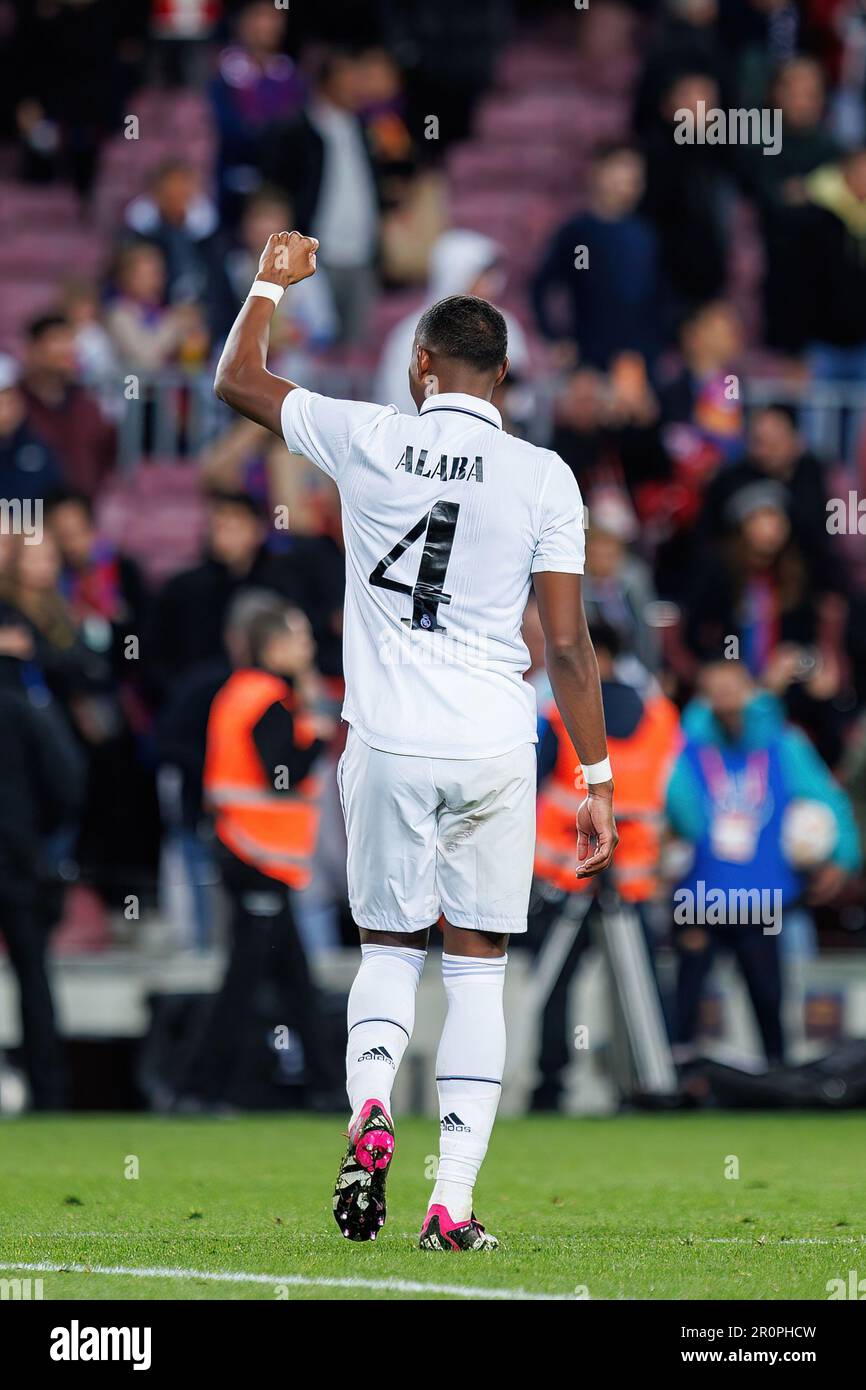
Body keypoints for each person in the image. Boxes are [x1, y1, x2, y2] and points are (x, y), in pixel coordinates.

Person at [213, 228, 617, 1251]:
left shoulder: (366, 433)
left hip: (385, 739)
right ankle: (451, 1201)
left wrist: (268, 280)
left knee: (389, 951)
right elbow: (566, 646)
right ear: (506, 376)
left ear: (420, 365)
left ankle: (370, 1109)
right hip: (489, 741)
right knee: (477, 968)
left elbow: (235, 380)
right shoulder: (544, 477)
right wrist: (597, 777)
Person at [178, 594, 339, 1107]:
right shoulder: (267, 697)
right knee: (244, 981)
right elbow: (281, 774)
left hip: (257, 857)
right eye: (300, 639)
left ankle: (326, 1088)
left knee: (292, 978)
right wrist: (318, 736)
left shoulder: (245, 692)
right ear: (274, 646)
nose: (308, 648)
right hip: (256, 857)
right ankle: (197, 1089)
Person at [666, 660, 860, 1064]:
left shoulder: (782, 744)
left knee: (768, 995)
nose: (725, 698)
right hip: (700, 895)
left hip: (760, 895)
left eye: (734, 688)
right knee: (686, 997)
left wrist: (841, 857)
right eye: (714, 691)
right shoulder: (688, 748)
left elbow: (829, 799)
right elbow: (675, 810)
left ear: (751, 692)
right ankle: (676, 1080)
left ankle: (777, 1077)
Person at [531, 623, 680, 1110]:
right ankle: (652, 1083)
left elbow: (529, 786)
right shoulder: (659, 717)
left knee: (554, 987)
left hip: (567, 875)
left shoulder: (557, 715)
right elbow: (676, 795)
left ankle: (547, 1087)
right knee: (641, 987)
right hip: (630, 876)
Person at [0, 620, 85, 1109]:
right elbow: (68, 782)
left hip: (20, 855)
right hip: (19, 860)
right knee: (33, 976)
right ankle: (48, 1092)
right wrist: (39, 840)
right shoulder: (31, 706)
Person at [531, 144, 663, 373]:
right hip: (588, 358)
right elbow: (541, 286)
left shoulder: (645, 235)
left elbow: (657, 298)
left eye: (635, 174)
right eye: (620, 170)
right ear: (597, 173)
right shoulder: (577, 232)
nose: (628, 180)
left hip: (638, 360)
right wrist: (555, 337)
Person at [374, 230, 528, 417]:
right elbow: (396, 394)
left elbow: (518, 398)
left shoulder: (505, 326)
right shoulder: (413, 331)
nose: (492, 285)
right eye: (481, 278)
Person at [20, 314, 116, 499]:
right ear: (33, 350)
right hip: (23, 519)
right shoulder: (14, 405)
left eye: (70, 340)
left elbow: (105, 458)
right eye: (57, 340)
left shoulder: (88, 405)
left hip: (78, 516)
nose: (68, 349)